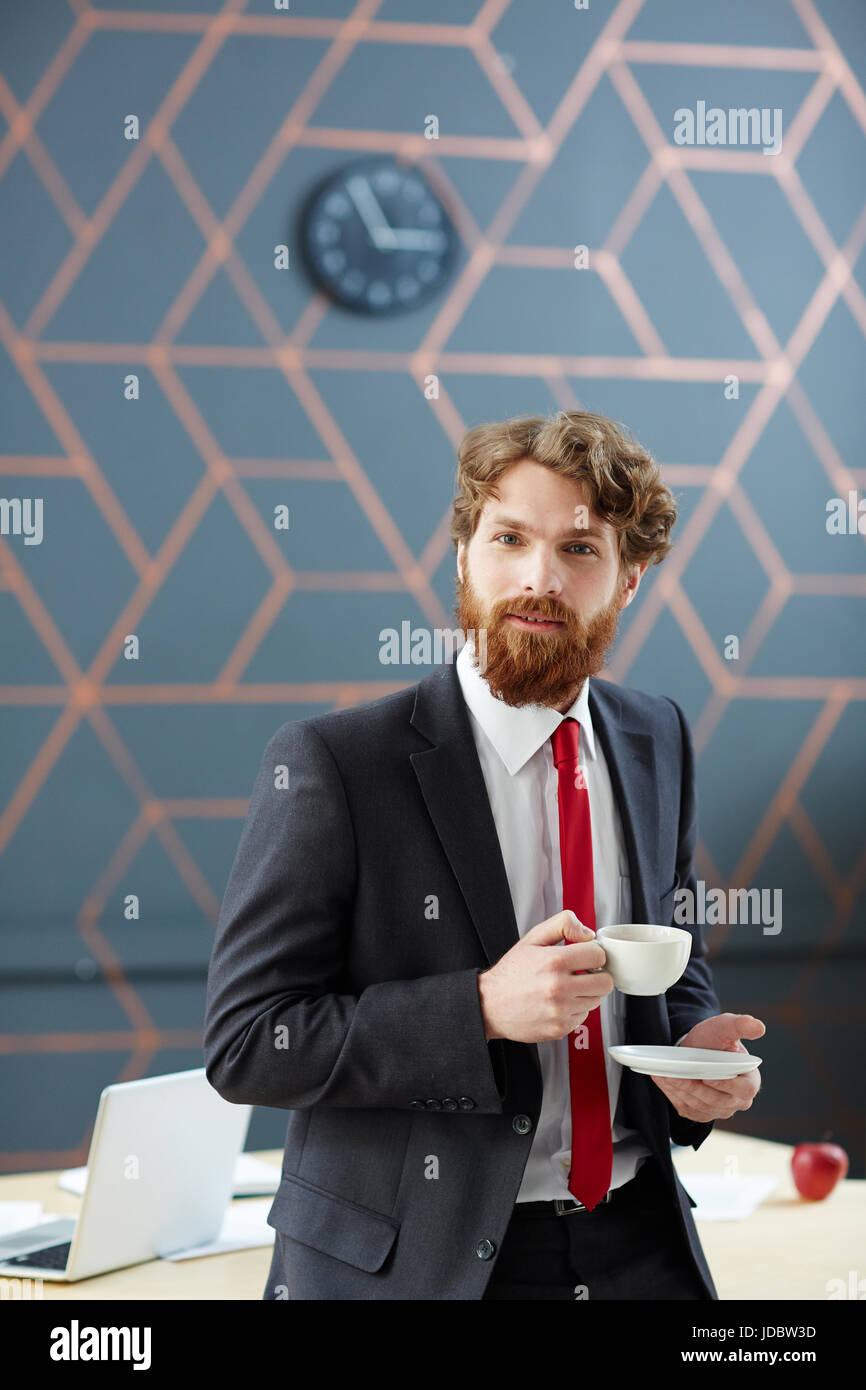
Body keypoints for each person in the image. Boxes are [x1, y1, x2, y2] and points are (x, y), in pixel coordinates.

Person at [203, 409, 765, 1300]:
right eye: (509, 537)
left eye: (580, 550)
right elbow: (248, 1043)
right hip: (426, 1268)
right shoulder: (336, 765)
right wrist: (480, 1011)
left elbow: (667, 944)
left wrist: (692, 1049)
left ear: (630, 579)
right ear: (463, 553)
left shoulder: (657, 735)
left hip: (638, 1246)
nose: (539, 578)